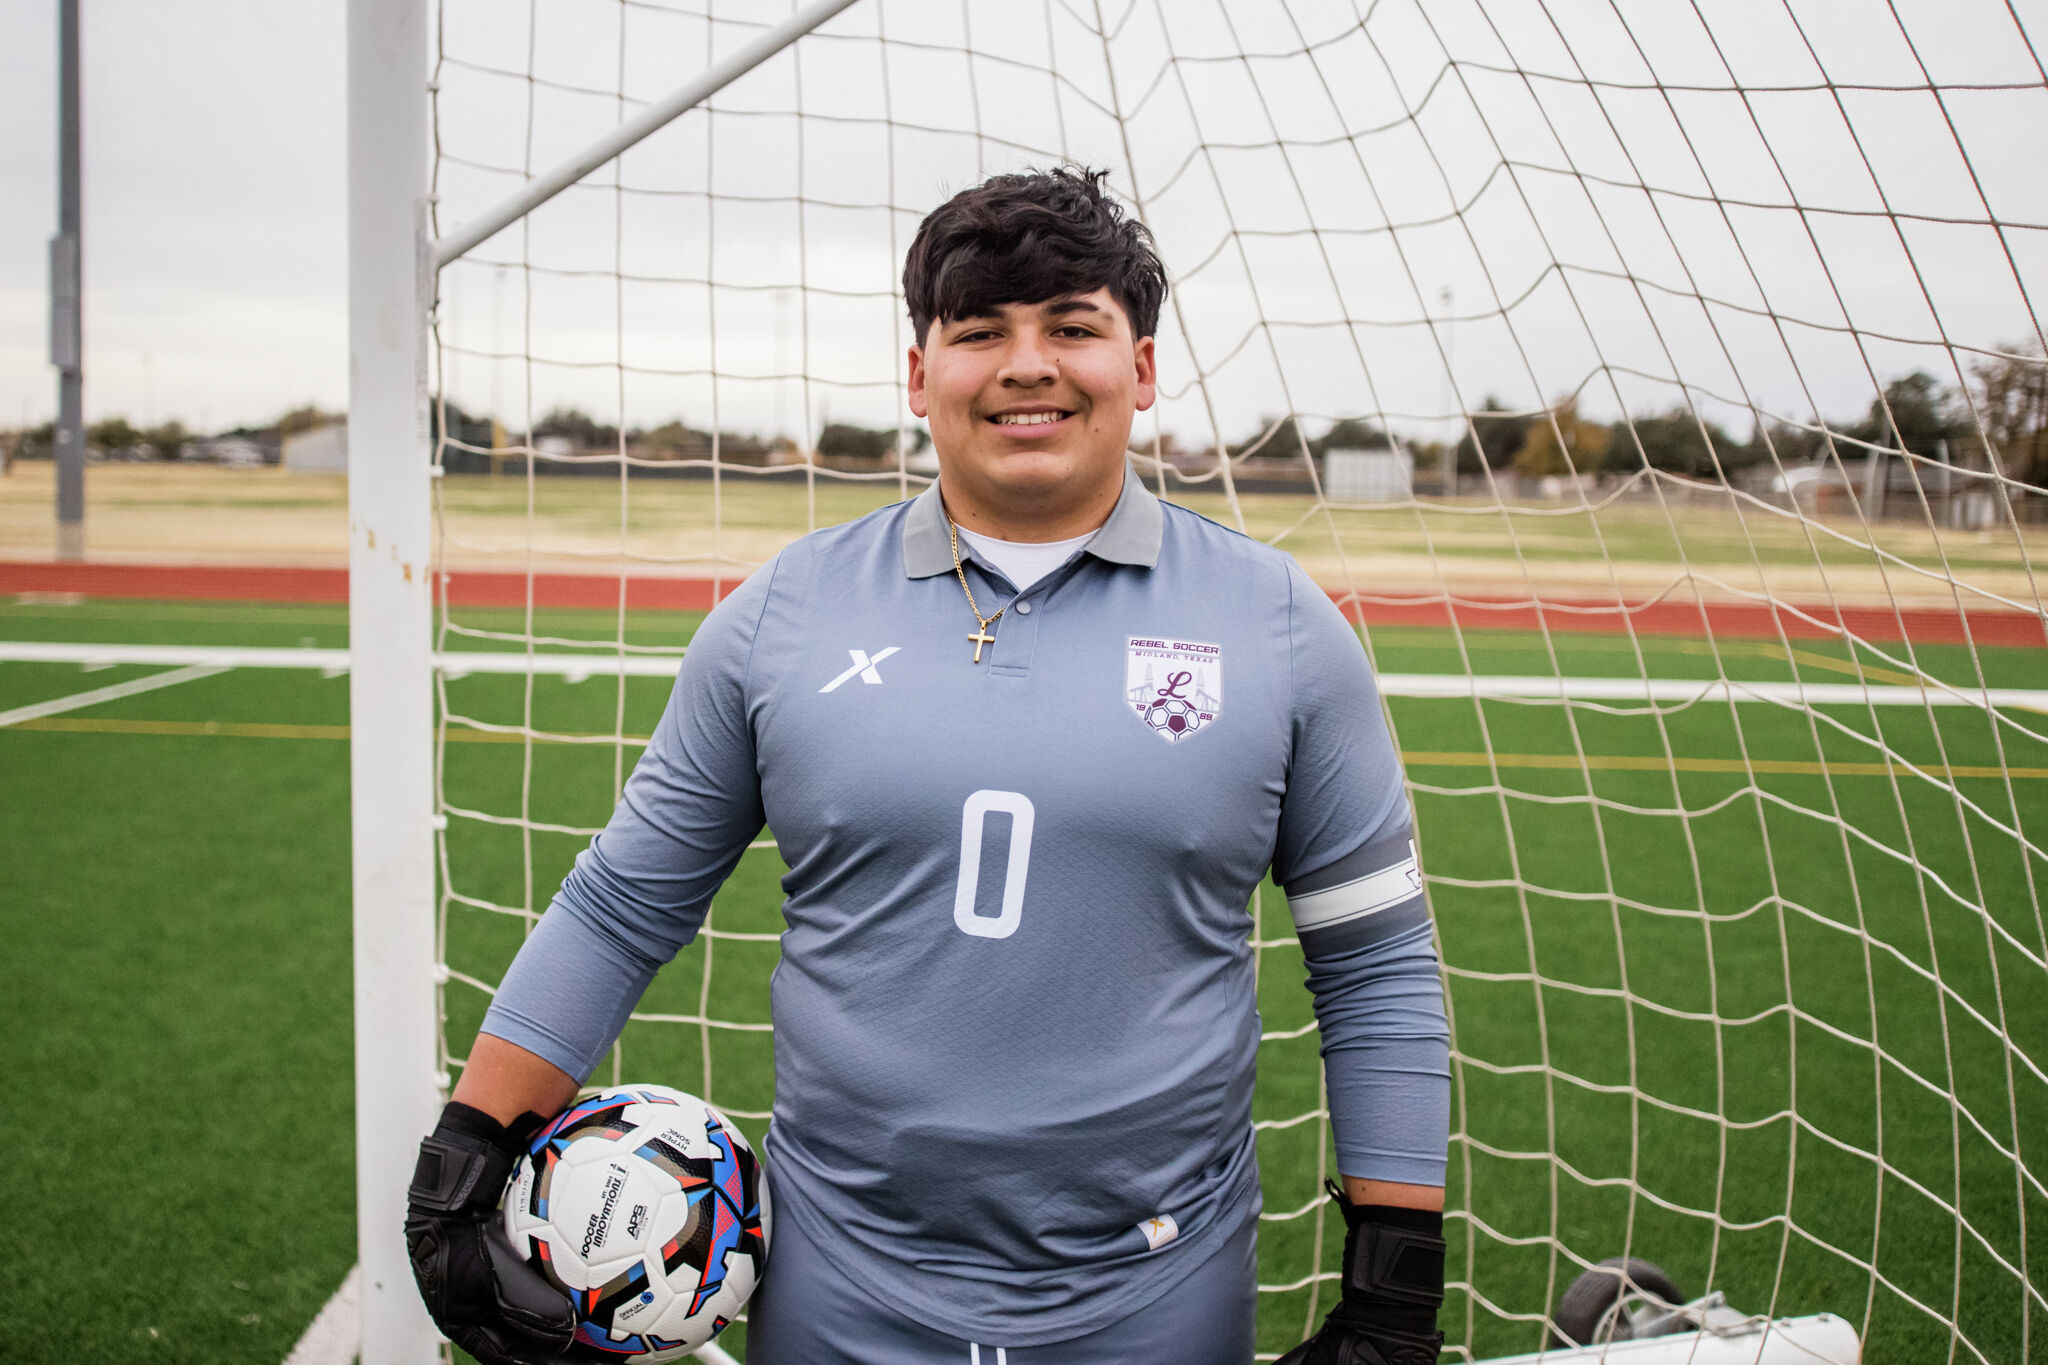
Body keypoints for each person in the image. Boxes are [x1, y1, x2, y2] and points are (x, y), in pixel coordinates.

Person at [404, 166, 1451, 1365]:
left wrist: (1391, 1292)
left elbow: (1371, 962)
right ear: (918, 375)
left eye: (1071, 327)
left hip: (1156, 1285)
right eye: (978, 333)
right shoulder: (778, 619)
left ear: (1143, 368)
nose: (1026, 366)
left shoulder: (1276, 626)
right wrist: (466, 1155)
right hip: (835, 1274)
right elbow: (622, 905)